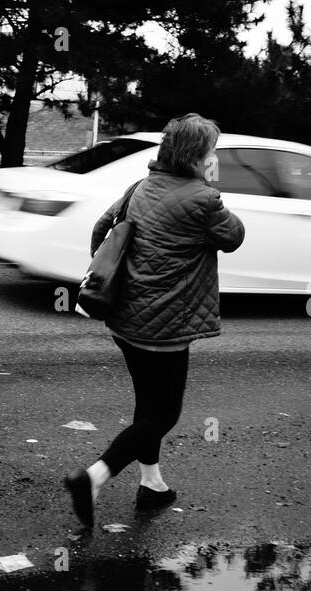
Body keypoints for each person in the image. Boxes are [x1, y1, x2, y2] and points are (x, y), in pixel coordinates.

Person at [65, 113, 245, 527]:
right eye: (210, 152)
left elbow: (101, 230)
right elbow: (234, 237)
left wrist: (119, 275)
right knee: (164, 416)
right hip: (166, 327)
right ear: (197, 156)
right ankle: (93, 478)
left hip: (125, 319)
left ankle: (153, 485)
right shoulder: (203, 200)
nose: (213, 157)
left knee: (148, 407)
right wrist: (207, 188)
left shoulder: (138, 188)